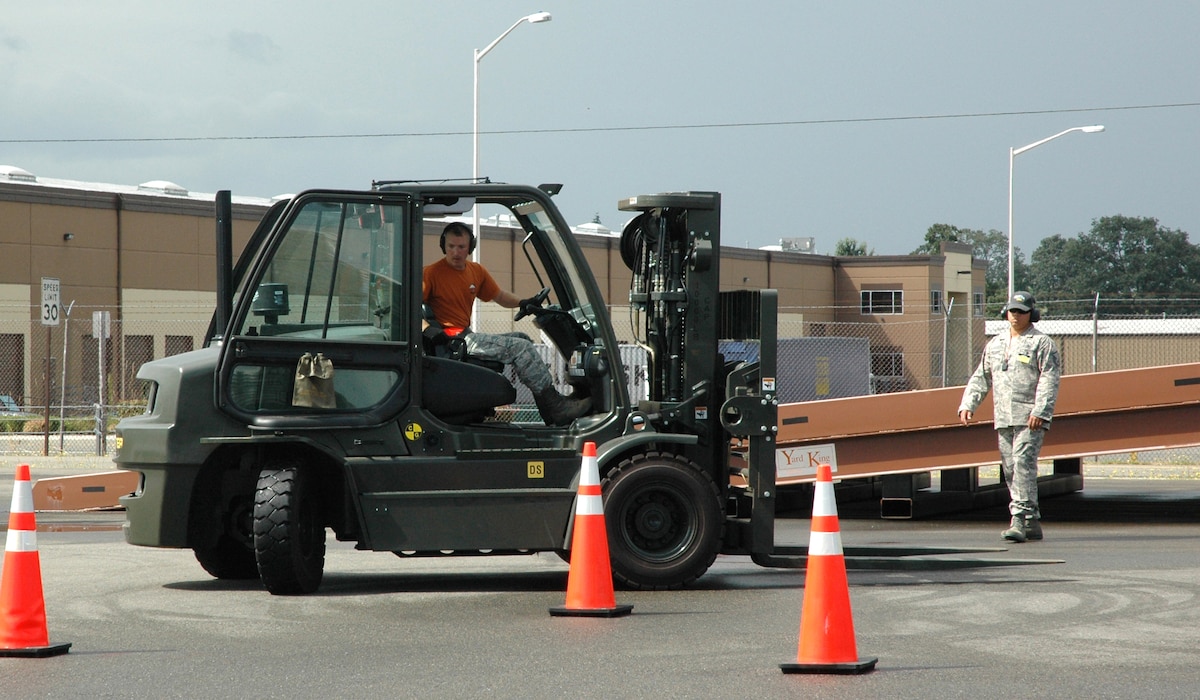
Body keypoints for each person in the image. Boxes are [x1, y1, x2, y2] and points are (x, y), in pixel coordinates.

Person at [422, 222, 591, 426]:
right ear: (443, 246)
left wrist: (523, 302)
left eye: (461, 247)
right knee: (521, 349)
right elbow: (411, 306)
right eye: (451, 246)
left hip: (466, 335)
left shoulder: (476, 271)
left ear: (470, 247)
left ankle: (549, 408)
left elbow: (499, 296)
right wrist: (427, 329)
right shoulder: (431, 273)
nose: (455, 252)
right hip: (454, 340)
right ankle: (556, 407)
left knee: (522, 339)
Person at [957, 291, 1062, 543]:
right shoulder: (995, 344)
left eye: (1022, 311)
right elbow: (982, 376)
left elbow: (1049, 379)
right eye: (1013, 311)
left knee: (1023, 462)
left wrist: (1040, 410)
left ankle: (1019, 519)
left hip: (1029, 417)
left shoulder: (1041, 343)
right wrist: (968, 403)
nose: (1016, 316)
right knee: (1010, 468)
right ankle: (1032, 522)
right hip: (1003, 416)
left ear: (1031, 314)